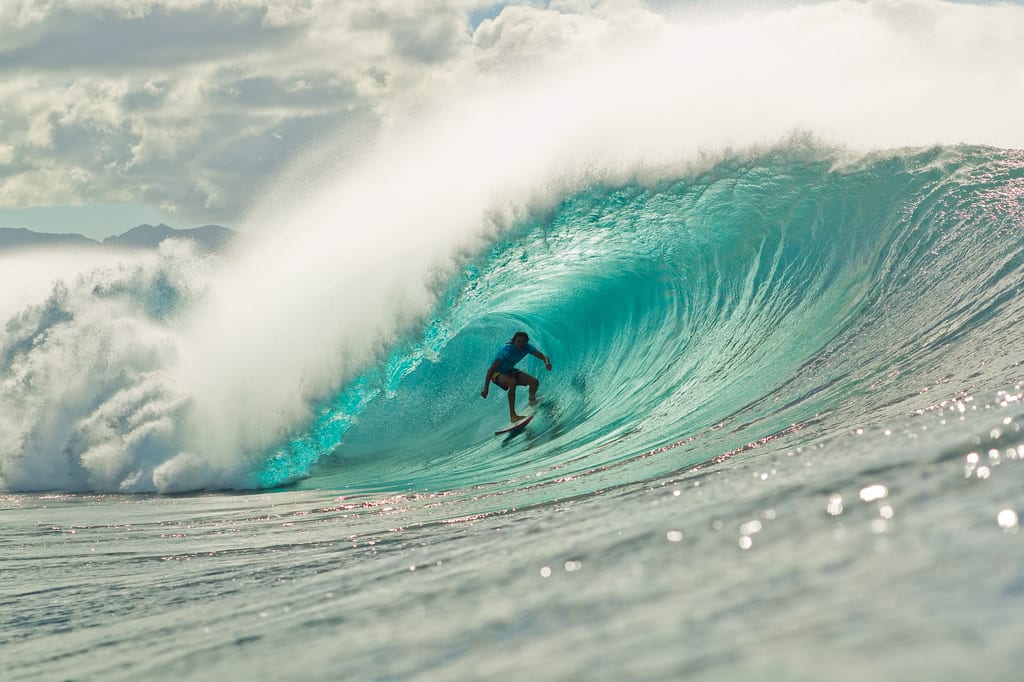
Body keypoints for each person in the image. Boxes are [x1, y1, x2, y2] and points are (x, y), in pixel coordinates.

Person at [481, 331, 552, 423]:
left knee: (534, 382)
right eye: (518, 341)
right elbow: (491, 369)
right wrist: (486, 389)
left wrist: (547, 362)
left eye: (523, 341)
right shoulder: (507, 351)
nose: (521, 343)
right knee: (512, 382)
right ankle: (513, 416)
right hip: (496, 373)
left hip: (509, 370)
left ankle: (532, 400)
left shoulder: (527, 348)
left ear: (527, 342)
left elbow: (543, 356)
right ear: (514, 341)